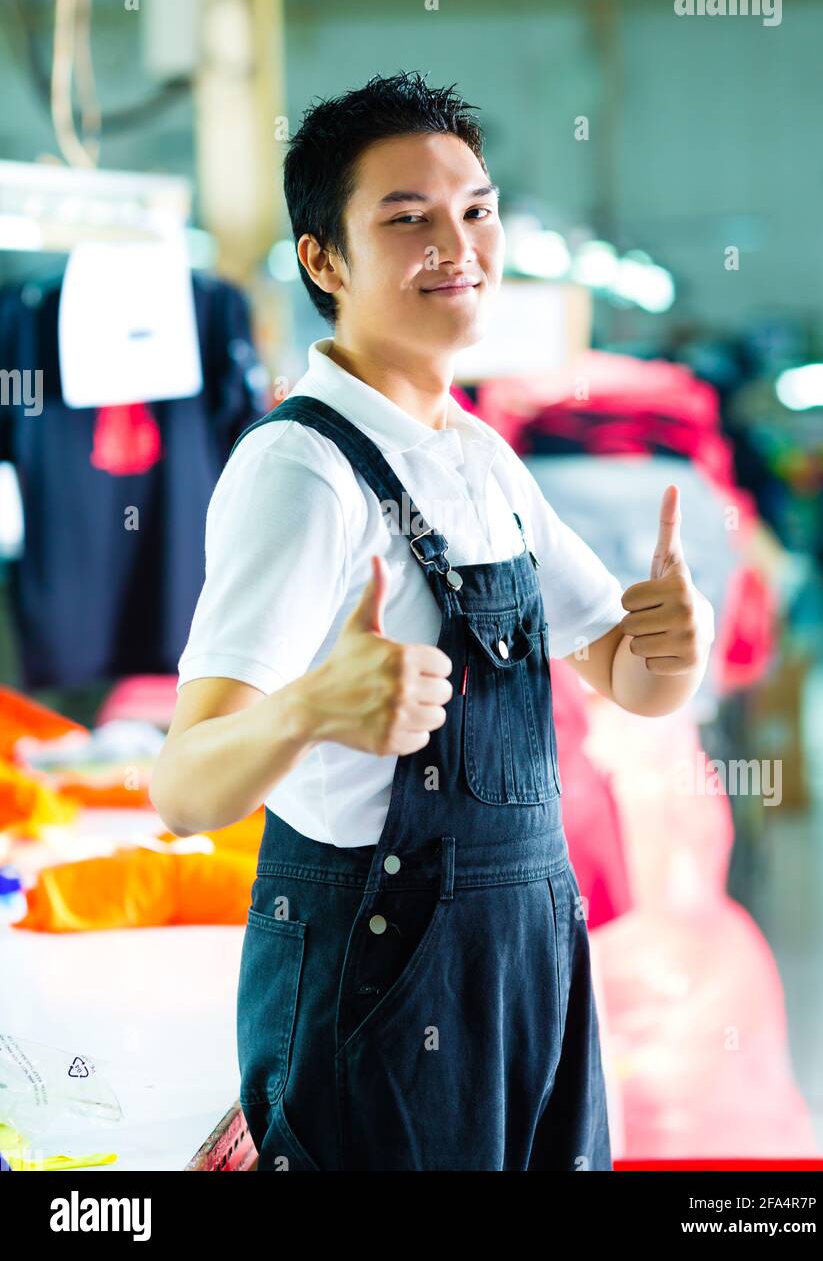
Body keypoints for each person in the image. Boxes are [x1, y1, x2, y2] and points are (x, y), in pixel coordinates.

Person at [150, 70, 714, 1171]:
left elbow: (624, 676)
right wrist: (311, 705)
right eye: (405, 219)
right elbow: (182, 787)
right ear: (323, 259)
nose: (455, 244)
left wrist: (671, 645)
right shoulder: (301, 472)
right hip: (378, 986)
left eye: (474, 210)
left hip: (526, 968)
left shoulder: (477, 457)